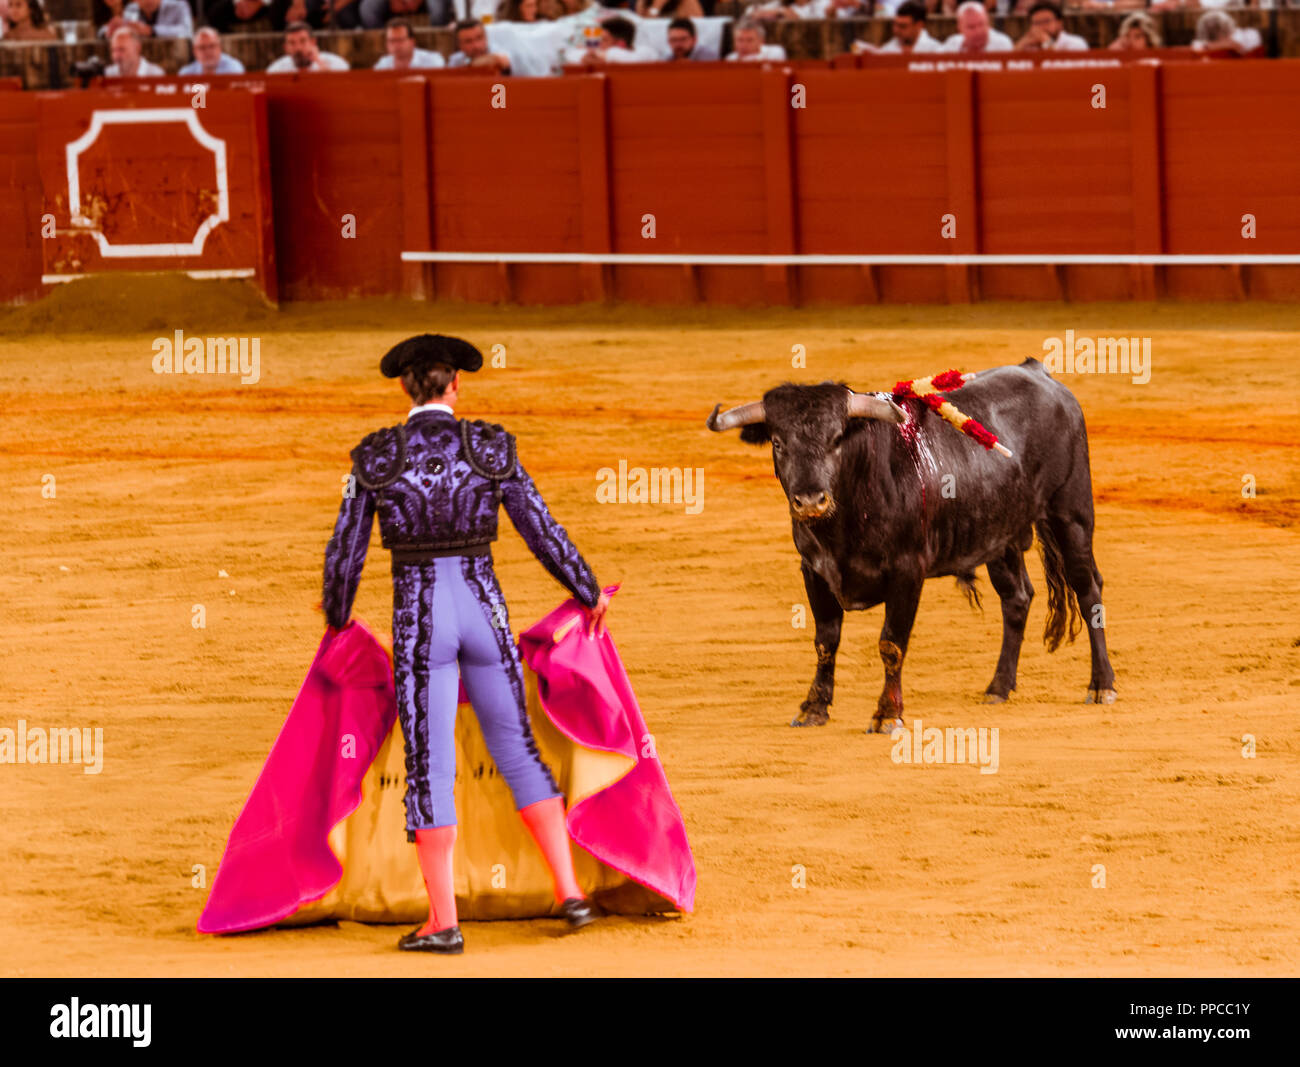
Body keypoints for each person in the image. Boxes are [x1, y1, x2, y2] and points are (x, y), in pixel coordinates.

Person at [323, 335, 611, 953]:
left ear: (405, 388)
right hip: (485, 612)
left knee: (429, 766)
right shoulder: (490, 447)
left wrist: (338, 614)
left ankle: (443, 922)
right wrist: (586, 590)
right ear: (456, 385)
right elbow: (540, 526)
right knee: (518, 749)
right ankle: (571, 894)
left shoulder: (375, 458)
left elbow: (346, 549)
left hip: (421, 619)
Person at [854, 1, 941, 54]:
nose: (896, 30)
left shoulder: (935, 50)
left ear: (919, 25)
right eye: (895, 24)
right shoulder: (888, 49)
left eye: (903, 26)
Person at [266, 20, 350, 72]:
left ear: (313, 42)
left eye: (303, 41)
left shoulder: (336, 63)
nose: (298, 48)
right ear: (285, 47)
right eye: (292, 43)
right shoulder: (276, 69)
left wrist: (320, 63)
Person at [940, 0, 1014, 53]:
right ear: (960, 28)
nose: (978, 31)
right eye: (971, 27)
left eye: (981, 24)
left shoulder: (1002, 44)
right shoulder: (952, 45)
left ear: (988, 23)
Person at [1014, 0, 1087, 51]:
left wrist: (1047, 42)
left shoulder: (1075, 43)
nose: (1042, 26)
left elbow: (1058, 64)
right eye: (1037, 23)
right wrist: (1021, 45)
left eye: (1046, 21)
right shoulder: (1029, 44)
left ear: (1059, 23)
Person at [374, 17, 446, 69]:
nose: (396, 45)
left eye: (400, 40)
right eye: (391, 41)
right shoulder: (383, 65)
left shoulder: (433, 61)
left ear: (412, 41)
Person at [448, 17, 514, 73]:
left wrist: (470, 65)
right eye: (468, 41)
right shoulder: (456, 60)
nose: (476, 46)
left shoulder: (499, 51)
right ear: (459, 45)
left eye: (479, 38)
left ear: (486, 38)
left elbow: (504, 61)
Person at [179, 27, 247, 74]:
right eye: (202, 48)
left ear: (220, 48)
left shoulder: (234, 68)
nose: (208, 51)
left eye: (212, 46)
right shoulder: (186, 73)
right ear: (195, 51)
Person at [115, 0, 194, 39]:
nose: (148, 1)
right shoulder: (131, 9)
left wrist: (152, 31)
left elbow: (187, 31)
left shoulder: (179, 5)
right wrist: (116, 30)